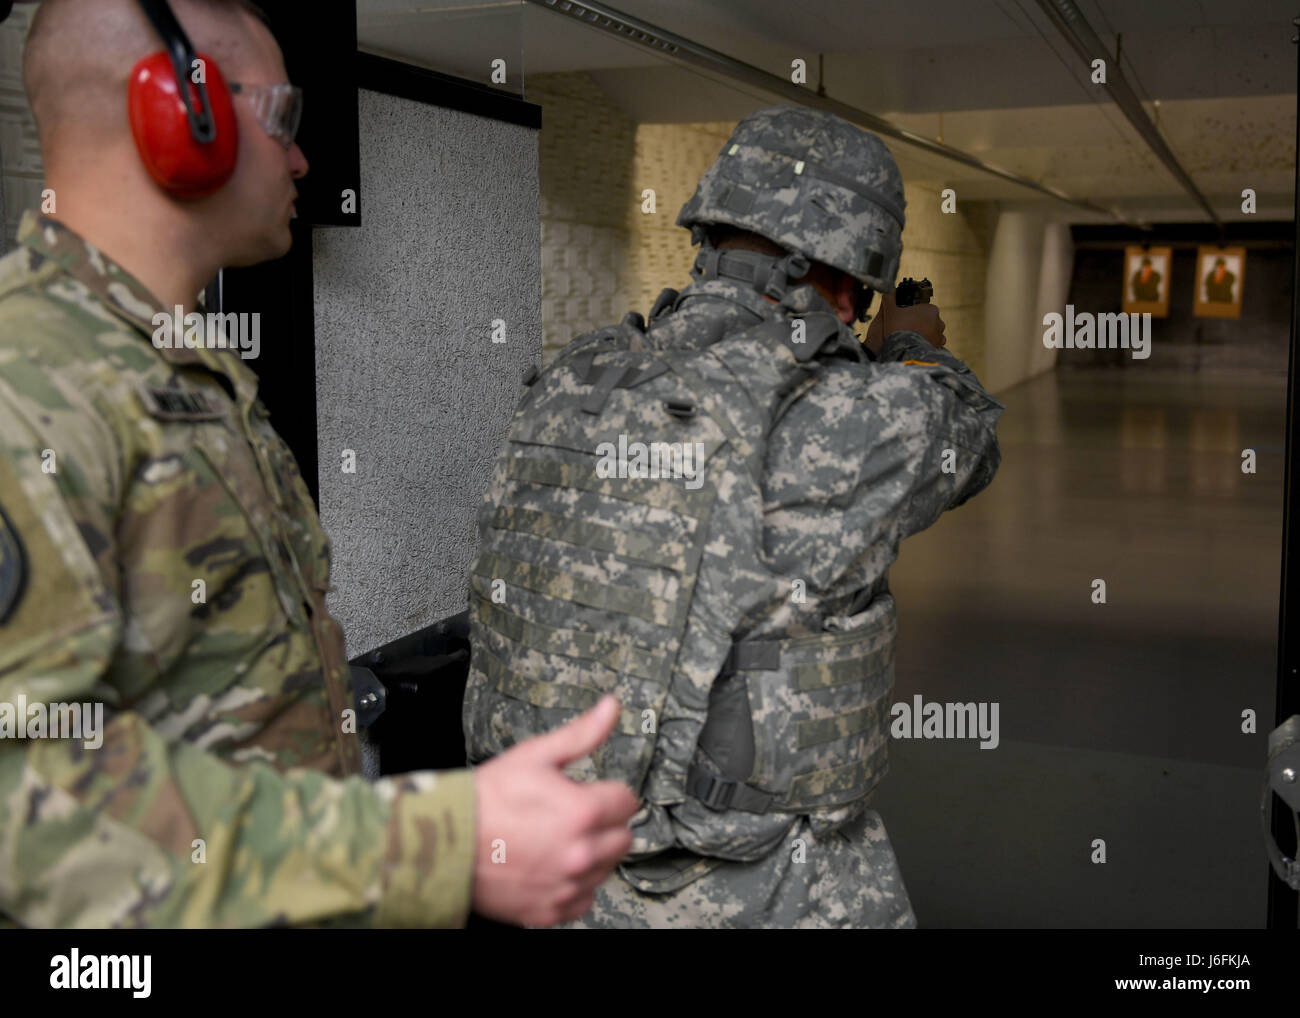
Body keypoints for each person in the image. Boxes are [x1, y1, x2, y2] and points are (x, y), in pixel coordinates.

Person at [0, 0, 636, 928]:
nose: (302, 159)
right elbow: (27, 805)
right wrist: (437, 846)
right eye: (283, 117)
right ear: (179, 115)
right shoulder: (30, 385)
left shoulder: (179, 370)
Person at [462, 105, 1004, 927]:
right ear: (849, 283)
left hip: (558, 864)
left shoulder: (571, 379)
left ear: (708, 233)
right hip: (754, 882)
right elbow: (971, 437)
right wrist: (911, 344)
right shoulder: (851, 416)